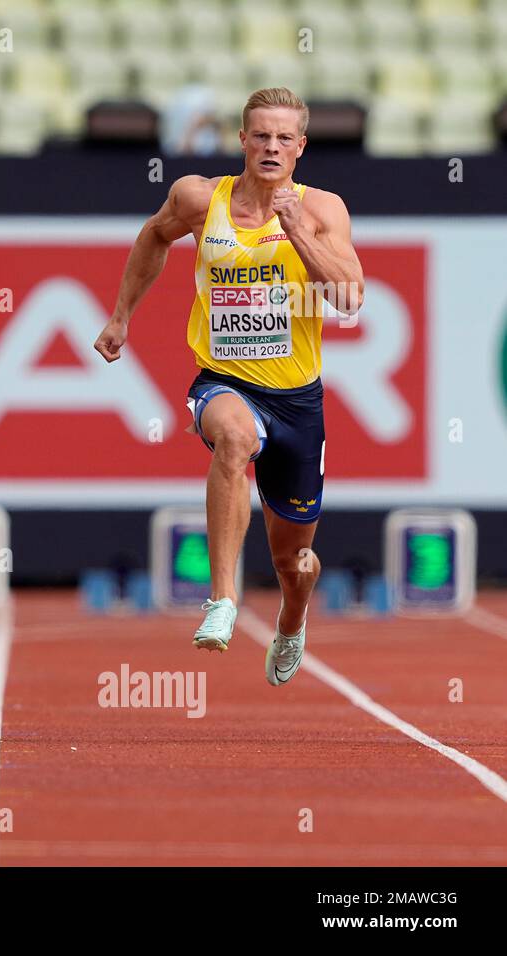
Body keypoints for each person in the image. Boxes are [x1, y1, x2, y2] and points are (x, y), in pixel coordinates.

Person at [94, 87, 363, 686]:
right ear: (241, 139)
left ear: (301, 147)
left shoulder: (323, 209)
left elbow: (349, 298)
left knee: (295, 561)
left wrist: (302, 236)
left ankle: (292, 617)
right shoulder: (198, 198)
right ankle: (222, 598)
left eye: (283, 138)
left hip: (298, 401)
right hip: (224, 379)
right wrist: (121, 316)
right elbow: (152, 238)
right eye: (259, 135)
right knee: (233, 440)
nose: (271, 147)